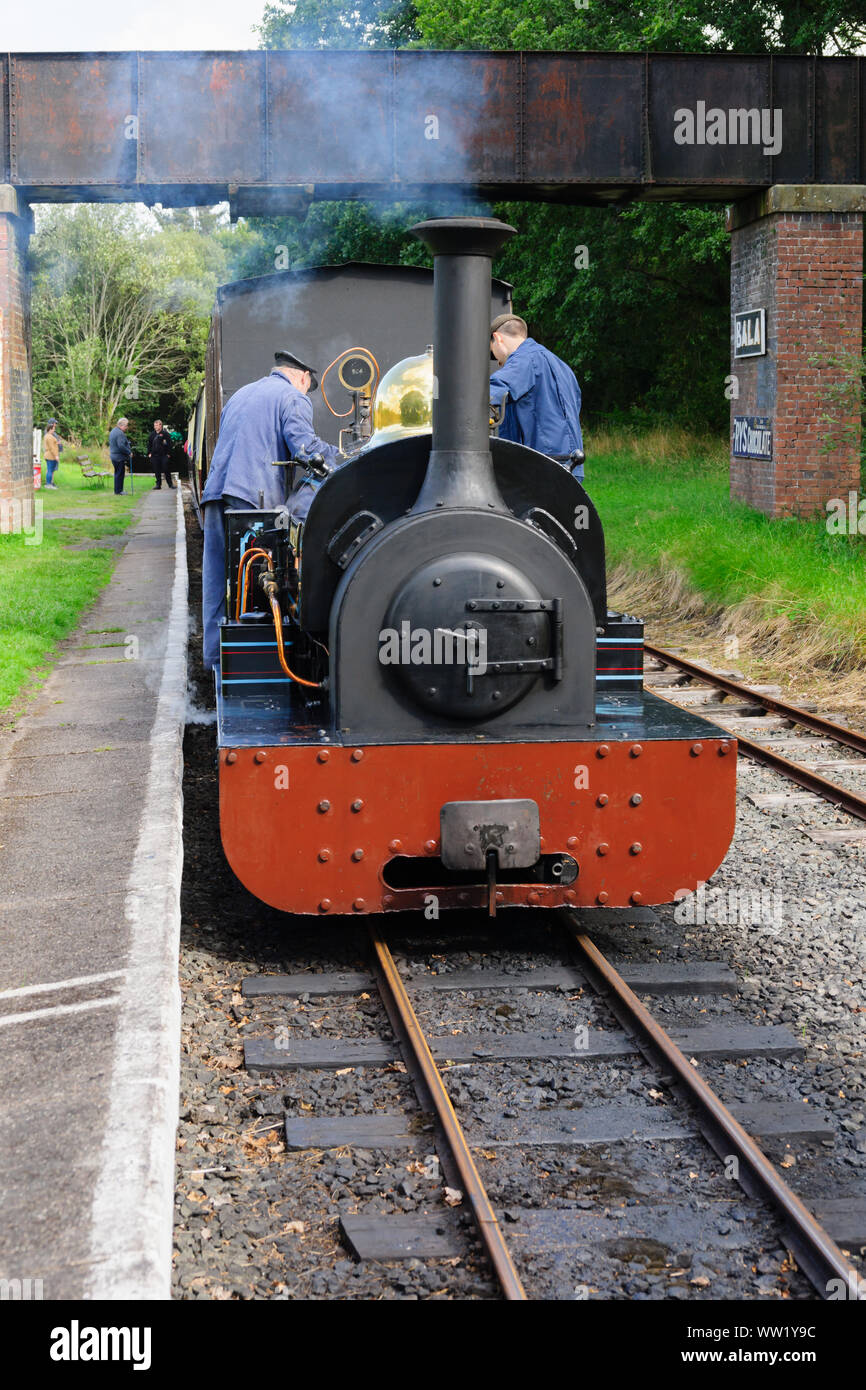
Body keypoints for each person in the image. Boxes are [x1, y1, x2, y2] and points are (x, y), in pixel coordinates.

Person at [200, 350, 342, 671]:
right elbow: (304, 448)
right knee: (260, 584)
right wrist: (345, 457)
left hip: (215, 493)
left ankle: (214, 662)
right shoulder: (293, 397)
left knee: (216, 583)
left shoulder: (240, 394)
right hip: (252, 496)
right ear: (303, 377)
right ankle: (256, 667)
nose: (307, 393)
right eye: (308, 387)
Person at [489, 314, 585, 480]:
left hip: (541, 466)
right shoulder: (563, 367)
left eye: (492, 352)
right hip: (571, 466)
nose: (497, 361)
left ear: (497, 339)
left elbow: (492, 391)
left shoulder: (524, 360)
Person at [148, 418, 175, 490]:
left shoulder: (165, 434)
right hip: (154, 456)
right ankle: (158, 485)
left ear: (161, 426)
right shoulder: (152, 434)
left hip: (164, 455)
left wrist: (169, 454)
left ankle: (170, 484)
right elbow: (149, 444)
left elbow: (170, 444)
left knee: (166, 469)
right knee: (156, 470)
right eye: (155, 425)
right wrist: (149, 453)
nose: (155, 427)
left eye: (157, 425)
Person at [108, 417, 132, 496]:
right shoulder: (120, 433)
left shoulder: (113, 431)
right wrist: (129, 452)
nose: (127, 428)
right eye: (126, 426)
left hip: (113, 456)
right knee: (120, 474)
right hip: (119, 457)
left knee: (117, 474)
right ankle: (119, 491)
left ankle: (117, 491)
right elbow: (121, 446)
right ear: (122, 425)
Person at [43, 419, 62, 489]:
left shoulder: (48, 436)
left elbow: (52, 444)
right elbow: (51, 448)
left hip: (51, 455)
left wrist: (57, 443)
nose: (54, 429)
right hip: (51, 456)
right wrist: (56, 456)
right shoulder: (49, 436)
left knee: (50, 469)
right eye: (53, 428)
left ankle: (49, 483)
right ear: (50, 429)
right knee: (50, 470)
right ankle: (48, 484)